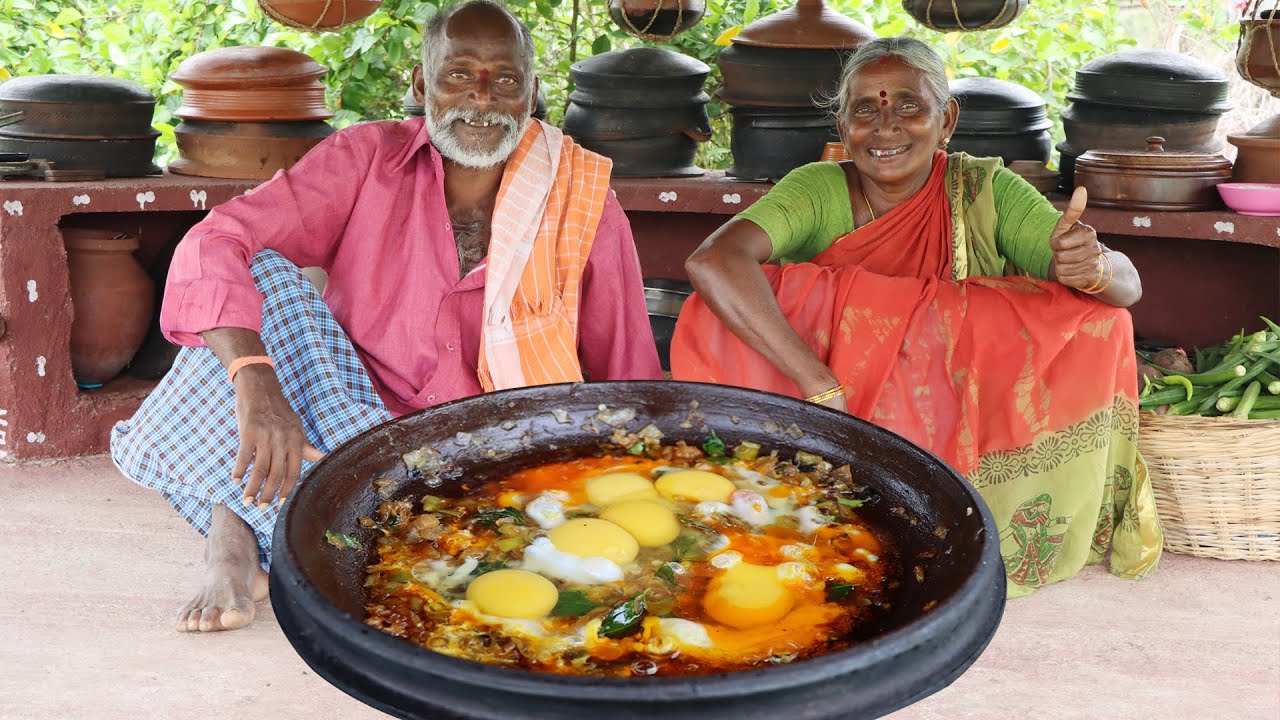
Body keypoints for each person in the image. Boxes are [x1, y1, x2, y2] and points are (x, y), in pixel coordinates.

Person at [111, 0, 662, 633]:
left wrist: (624, 488)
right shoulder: (366, 159)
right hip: (348, 420)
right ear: (422, 85)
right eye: (459, 74)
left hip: (489, 447)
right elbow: (218, 241)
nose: (482, 98)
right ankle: (232, 543)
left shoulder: (580, 196)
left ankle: (253, 528)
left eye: (506, 79)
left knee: (467, 564)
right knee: (264, 278)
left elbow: (624, 364)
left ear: (532, 94)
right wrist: (255, 381)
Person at [671, 37, 1162, 598]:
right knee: (730, 304)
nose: (886, 128)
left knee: (1099, 317)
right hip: (836, 408)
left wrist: (1094, 265)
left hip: (959, 408)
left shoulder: (985, 191)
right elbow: (713, 261)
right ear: (842, 125)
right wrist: (818, 382)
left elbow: (1126, 290)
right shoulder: (817, 189)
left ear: (946, 119)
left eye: (909, 105)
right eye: (865, 110)